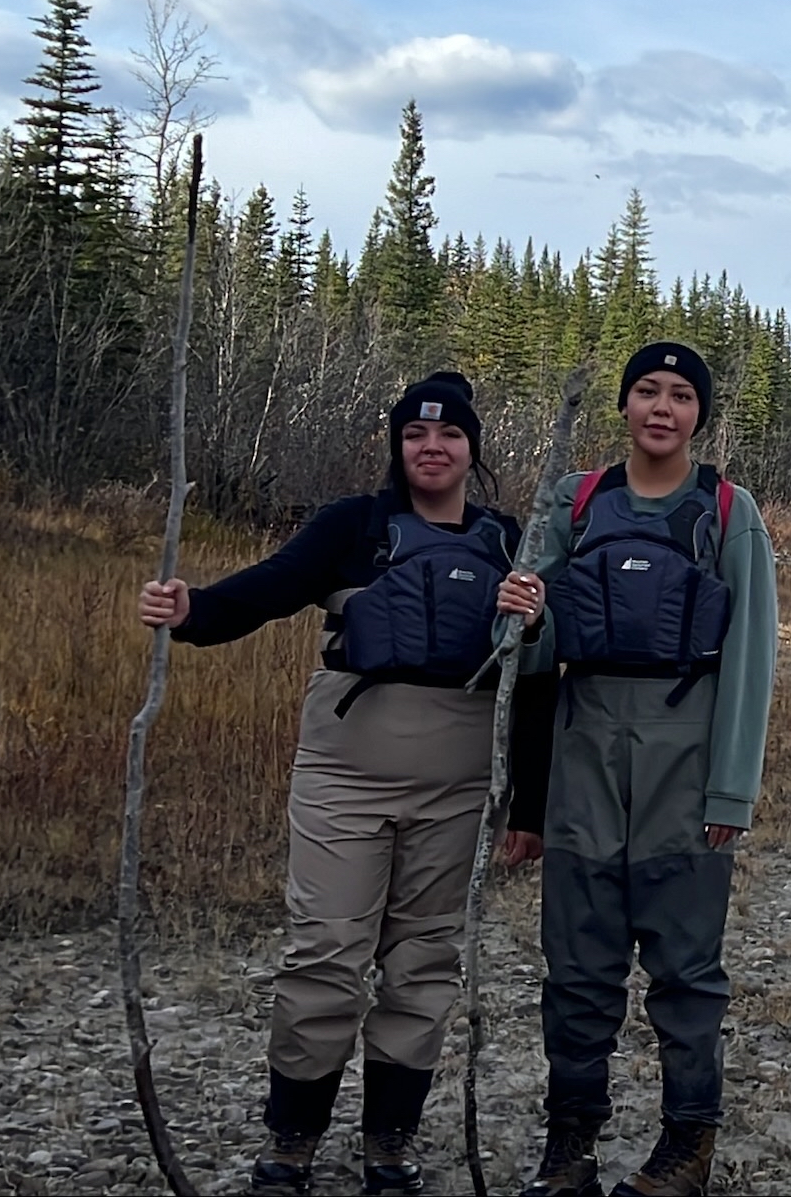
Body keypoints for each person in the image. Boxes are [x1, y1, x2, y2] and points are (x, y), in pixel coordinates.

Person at [137, 371, 556, 1197]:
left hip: (460, 781)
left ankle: (390, 1145)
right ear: (398, 447)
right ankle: (291, 1142)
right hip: (346, 772)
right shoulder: (351, 527)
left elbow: (539, 680)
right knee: (326, 952)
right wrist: (193, 611)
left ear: (472, 449)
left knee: (423, 963)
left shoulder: (511, 544)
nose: (429, 448)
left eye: (447, 436)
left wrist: (531, 803)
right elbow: (267, 589)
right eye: (413, 436)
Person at [500, 341, 778, 1197]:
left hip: (685, 755)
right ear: (624, 405)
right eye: (647, 392)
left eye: (681, 396)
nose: (662, 408)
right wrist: (519, 613)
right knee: (577, 968)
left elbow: (751, 653)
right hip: (585, 755)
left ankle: (685, 1149)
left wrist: (731, 784)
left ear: (700, 414)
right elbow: (528, 655)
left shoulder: (727, 512)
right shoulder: (574, 503)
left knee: (685, 972)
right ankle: (569, 1147)